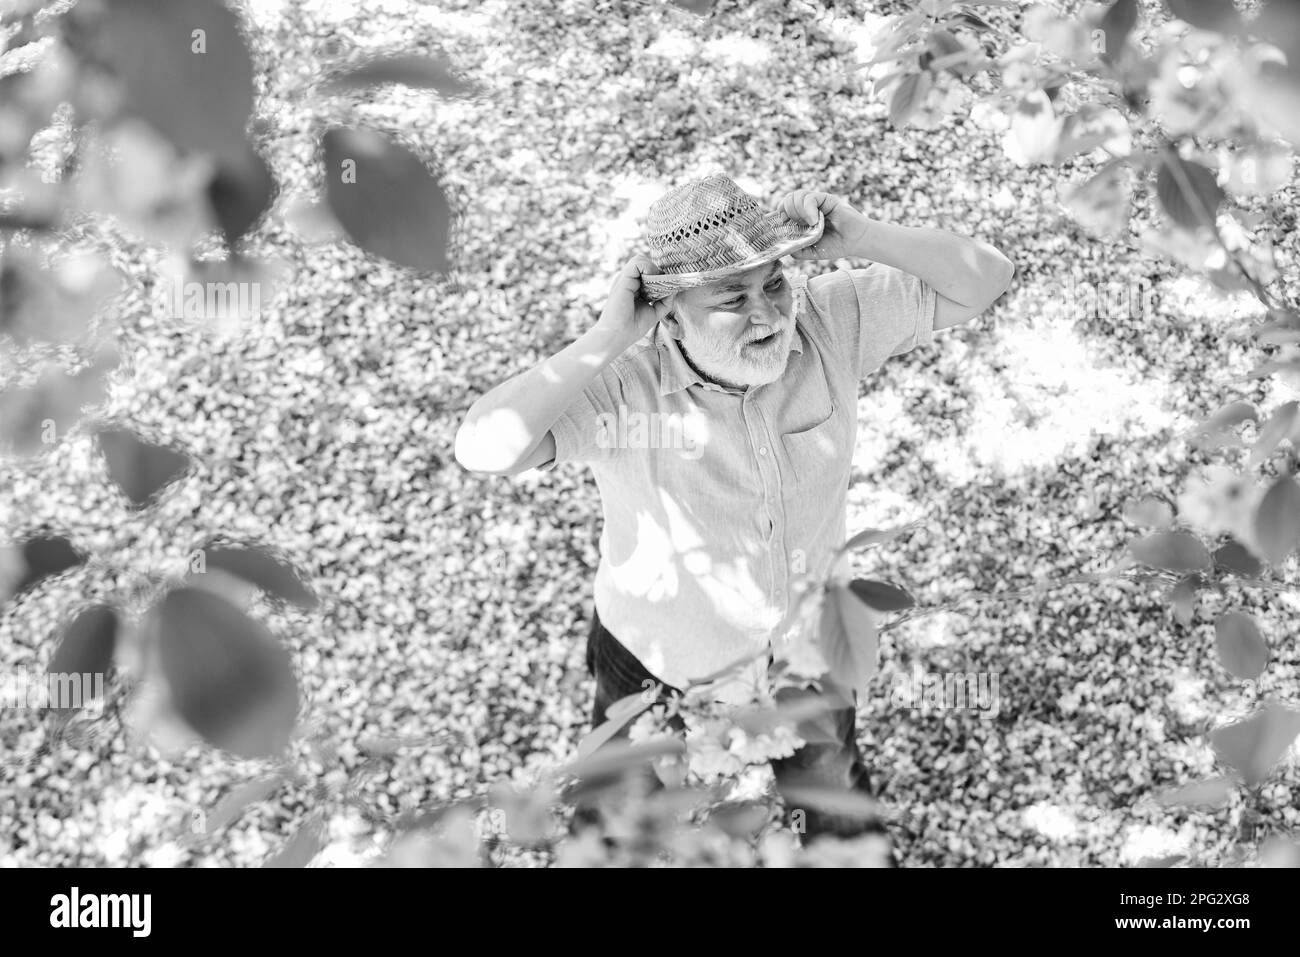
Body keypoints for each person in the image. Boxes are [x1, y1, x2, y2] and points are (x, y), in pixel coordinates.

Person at [455, 172, 1014, 846]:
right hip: (660, 659)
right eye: (731, 298)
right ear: (671, 313)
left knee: (835, 806)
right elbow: (484, 449)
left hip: (806, 651)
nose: (768, 316)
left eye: (774, 284)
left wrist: (862, 237)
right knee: (612, 825)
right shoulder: (627, 387)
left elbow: (987, 278)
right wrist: (608, 335)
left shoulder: (830, 320)